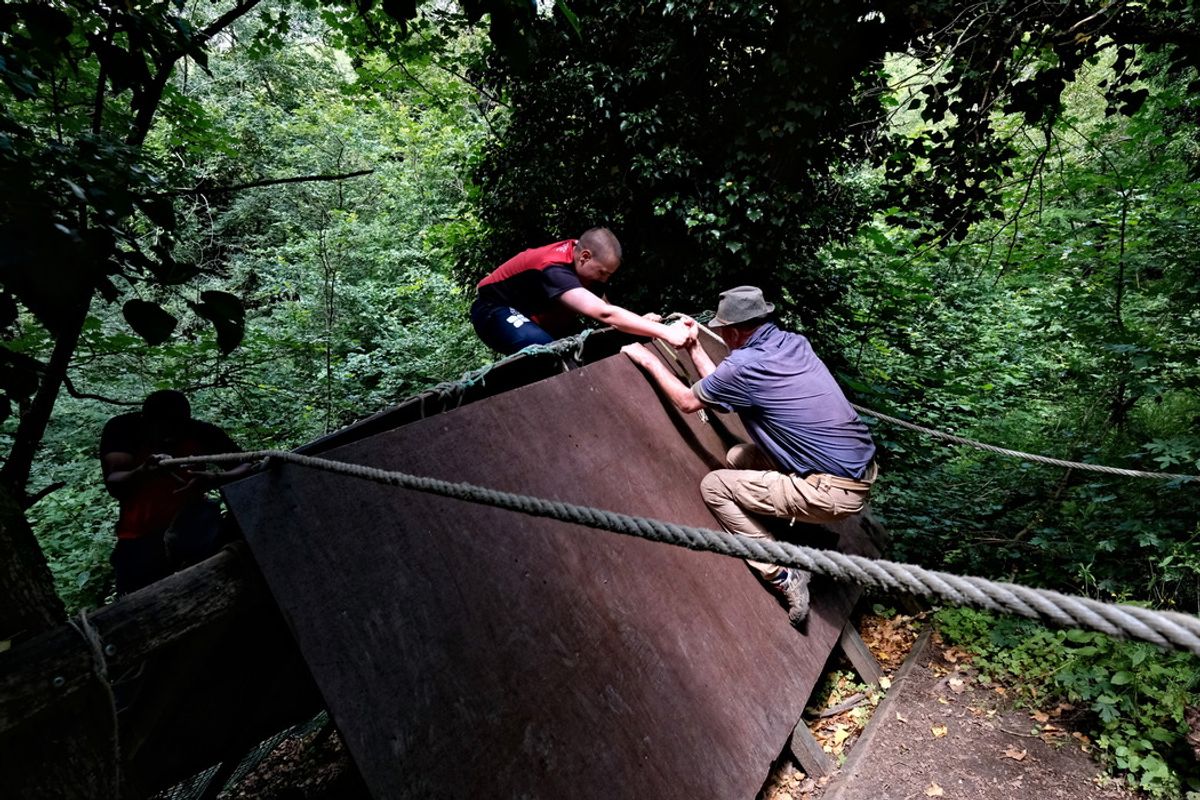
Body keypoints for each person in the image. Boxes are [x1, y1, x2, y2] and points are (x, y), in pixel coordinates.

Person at [621, 286, 877, 626]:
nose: (722, 334)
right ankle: (804, 532)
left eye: (724, 329)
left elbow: (687, 401)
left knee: (715, 486)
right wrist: (695, 346)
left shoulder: (745, 364)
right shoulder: (793, 344)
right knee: (739, 456)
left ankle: (784, 574)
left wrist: (647, 359)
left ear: (736, 331)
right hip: (859, 472)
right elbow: (723, 385)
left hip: (832, 491)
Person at [100, 390, 252, 595]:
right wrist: (143, 471)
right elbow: (114, 482)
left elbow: (246, 465)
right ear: (146, 420)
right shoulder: (123, 429)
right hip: (139, 538)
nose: (170, 435)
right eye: (163, 428)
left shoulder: (200, 432)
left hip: (193, 530)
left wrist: (213, 480)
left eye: (177, 427)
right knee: (138, 600)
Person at [470, 227, 691, 354]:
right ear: (584, 256)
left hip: (540, 316)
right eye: (603, 273)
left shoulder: (587, 265)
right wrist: (665, 332)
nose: (604, 279)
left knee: (587, 346)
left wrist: (642, 323)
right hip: (493, 310)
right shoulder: (553, 268)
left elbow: (607, 310)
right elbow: (604, 314)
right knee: (545, 350)